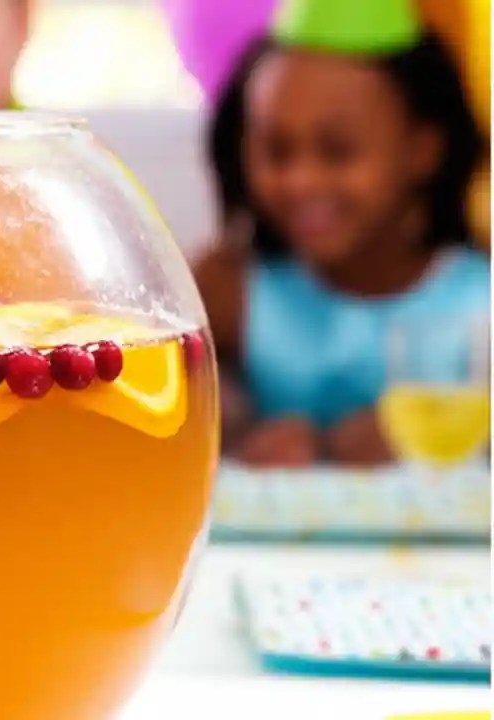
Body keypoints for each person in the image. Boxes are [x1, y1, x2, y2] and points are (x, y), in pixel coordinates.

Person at [196, 0, 489, 468]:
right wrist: (233, 421)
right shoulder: (226, 288)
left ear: (424, 149)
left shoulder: (481, 292)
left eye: (337, 153)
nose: (301, 181)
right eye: (276, 150)